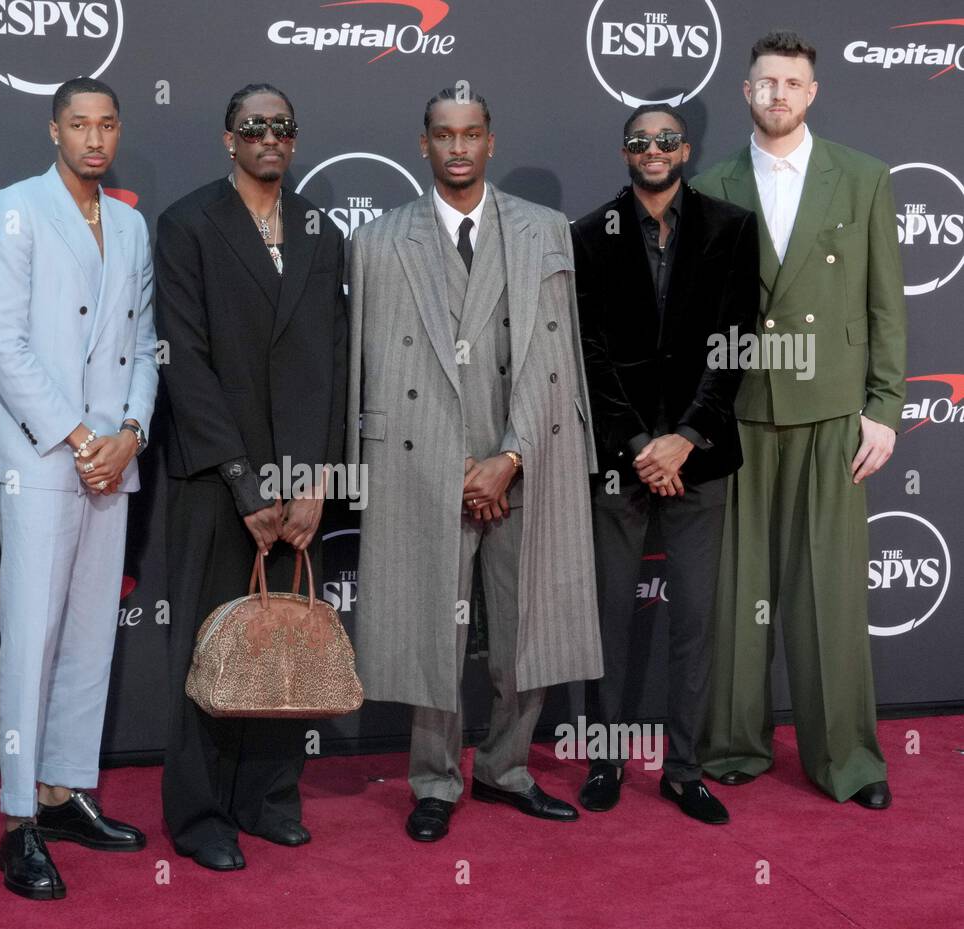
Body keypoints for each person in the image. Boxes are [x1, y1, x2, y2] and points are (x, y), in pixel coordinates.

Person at [347, 89, 603, 843]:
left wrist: (510, 457)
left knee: (531, 624)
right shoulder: (378, 241)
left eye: (471, 134)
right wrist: (460, 467)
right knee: (432, 625)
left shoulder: (544, 230)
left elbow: (559, 360)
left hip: (528, 459)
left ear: (491, 141)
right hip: (426, 465)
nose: (457, 147)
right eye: (443, 135)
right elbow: (373, 376)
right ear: (422, 144)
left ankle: (506, 767)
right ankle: (433, 779)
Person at [691, 31, 907, 808]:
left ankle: (847, 758)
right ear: (746, 93)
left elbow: (887, 303)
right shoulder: (711, 184)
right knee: (736, 594)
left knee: (831, 597)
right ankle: (732, 746)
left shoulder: (864, 178)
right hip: (741, 417)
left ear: (811, 94)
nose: (778, 93)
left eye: (792, 82)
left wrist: (884, 407)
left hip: (830, 417)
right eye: (766, 82)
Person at [0, 77, 157, 899]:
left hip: (112, 456)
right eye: (79, 123)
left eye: (107, 124)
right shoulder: (14, 209)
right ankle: (18, 821)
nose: (94, 138)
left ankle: (62, 789)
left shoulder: (130, 222)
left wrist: (129, 436)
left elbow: (145, 345)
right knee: (33, 632)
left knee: (90, 633)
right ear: (54, 130)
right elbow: (1, 344)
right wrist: (81, 438)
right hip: (39, 452)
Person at [156, 83, 348, 871]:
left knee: (282, 648)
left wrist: (313, 483)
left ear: (294, 140)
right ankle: (200, 813)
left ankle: (268, 799)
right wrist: (245, 484)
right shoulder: (187, 224)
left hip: (301, 483)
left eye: (281, 127)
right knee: (213, 647)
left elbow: (335, 366)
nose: (269, 137)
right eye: (253, 126)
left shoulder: (321, 230)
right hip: (214, 478)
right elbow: (186, 362)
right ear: (227, 138)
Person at [572, 104, 759, 823]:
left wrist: (685, 437)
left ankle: (684, 769)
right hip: (621, 463)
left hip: (700, 456)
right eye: (641, 141)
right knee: (608, 617)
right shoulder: (590, 234)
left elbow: (735, 342)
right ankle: (606, 760)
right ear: (624, 151)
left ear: (687, 149)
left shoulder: (732, 228)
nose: (655, 151)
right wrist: (637, 448)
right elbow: (588, 358)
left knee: (696, 623)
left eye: (668, 140)